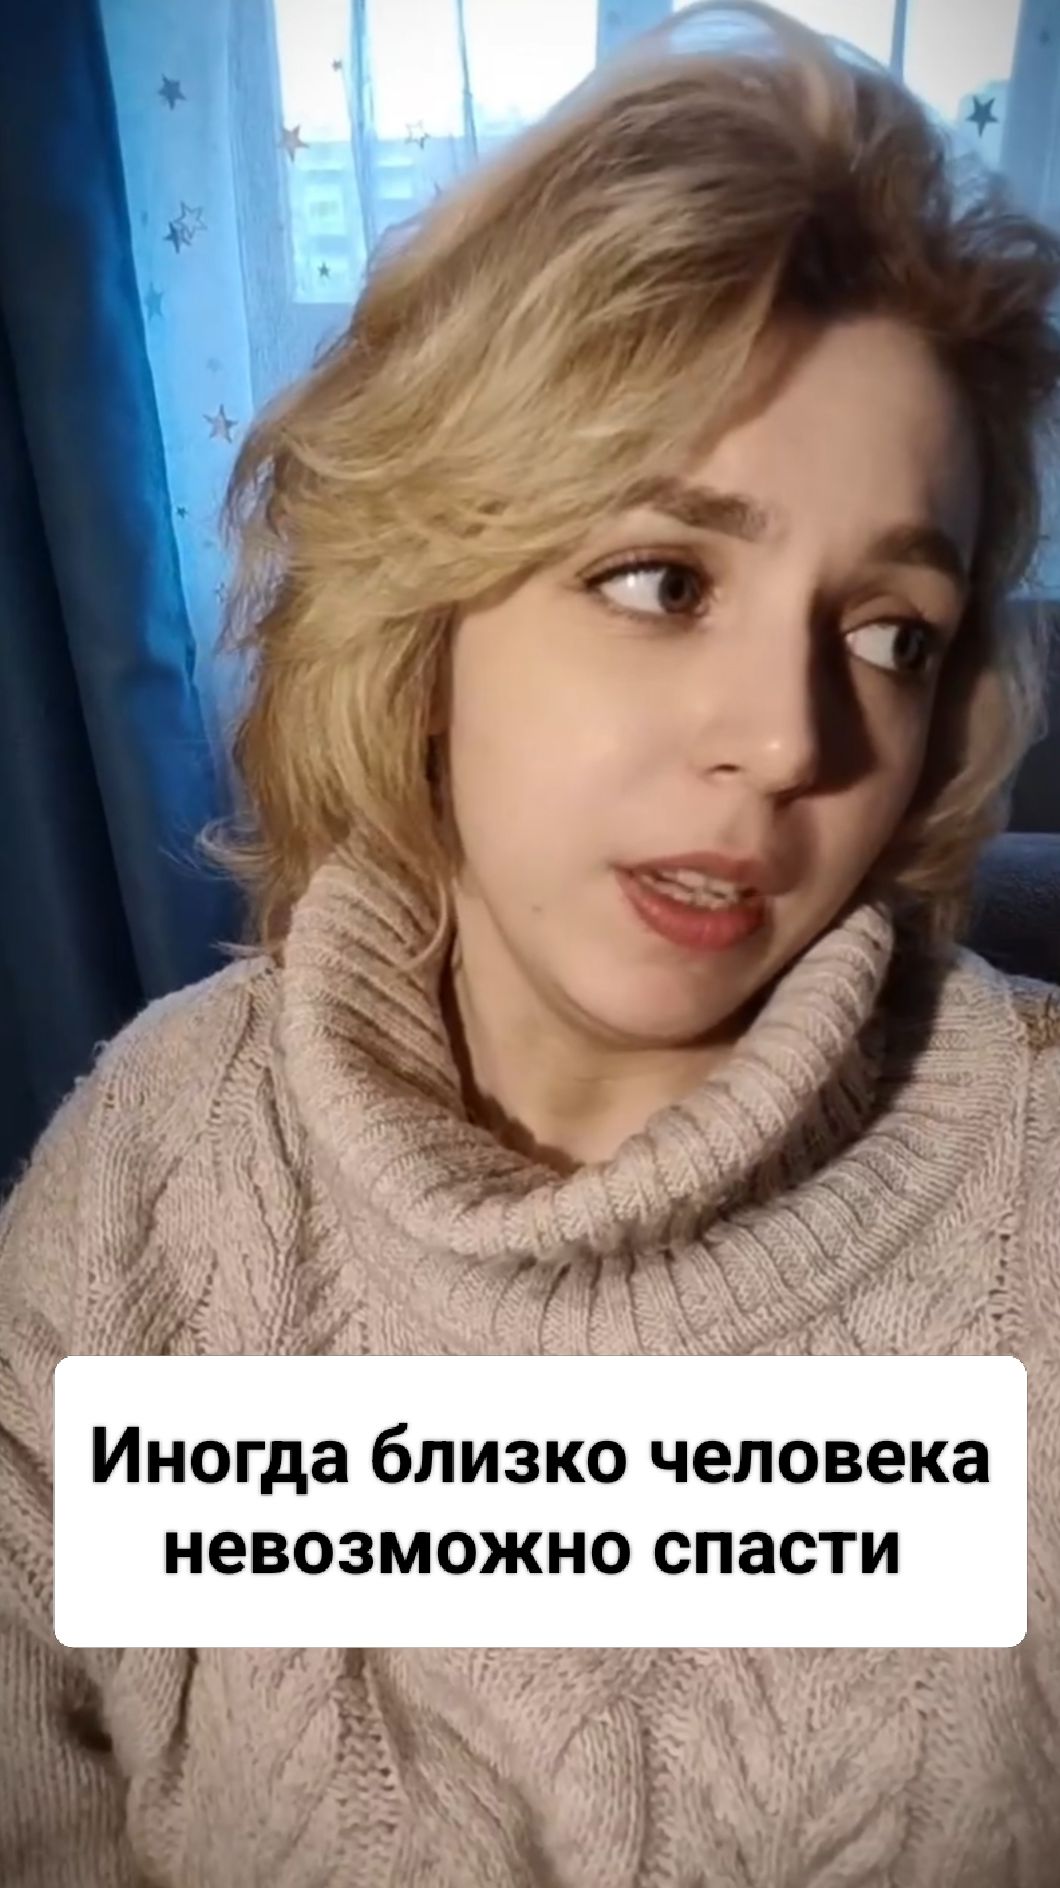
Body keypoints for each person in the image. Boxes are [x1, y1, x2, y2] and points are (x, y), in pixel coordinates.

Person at [3, 3, 1060, 1883]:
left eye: (888, 632)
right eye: (661, 579)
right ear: (424, 600)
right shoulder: (149, 1182)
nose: (792, 741)